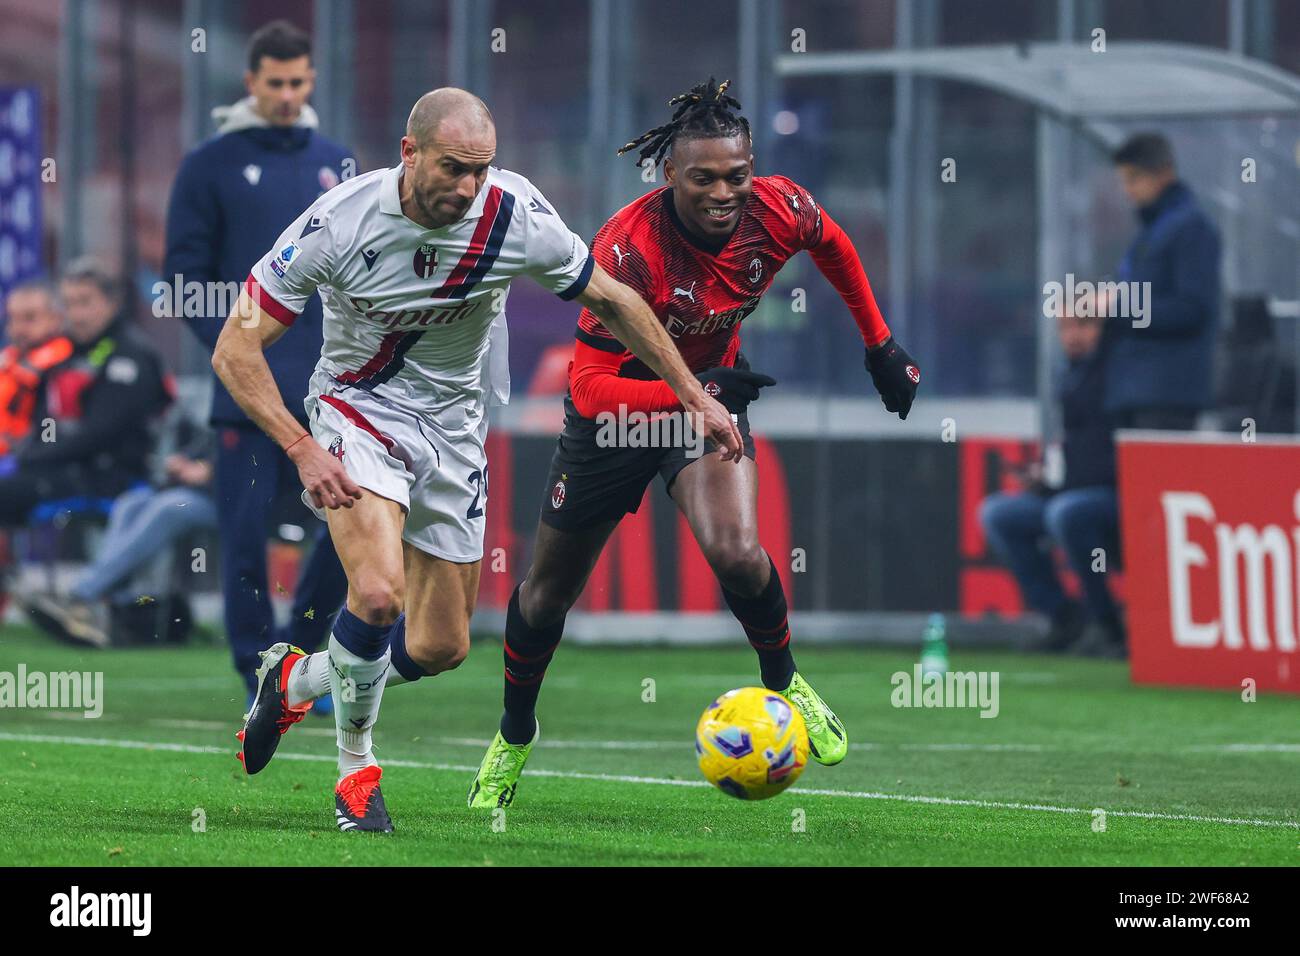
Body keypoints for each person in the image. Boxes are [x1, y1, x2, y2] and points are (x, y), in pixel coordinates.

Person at [216, 87, 741, 833]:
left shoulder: (513, 214)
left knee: (439, 645)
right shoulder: (339, 223)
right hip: (357, 413)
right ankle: (356, 774)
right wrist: (302, 448)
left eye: (481, 169)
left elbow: (616, 299)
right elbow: (235, 346)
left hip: (457, 430)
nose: (468, 187)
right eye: (454, 168)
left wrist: (693, 394)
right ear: (410, 152)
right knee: (375, 597)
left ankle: (296, 678)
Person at [455, 78, 921, 808]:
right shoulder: (627, 250)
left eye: (736, 175)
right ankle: (515, 733)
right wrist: (690, 397)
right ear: (669, 173)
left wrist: (879, 342)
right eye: (702, 178)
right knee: (547, 596)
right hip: (617, 418)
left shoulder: (779, 207)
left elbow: (832, 243)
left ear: (753, 166)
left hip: (706, 404)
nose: (722, 192)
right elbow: (585, 388)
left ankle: (785, 684)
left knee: (737, 551)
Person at [164, 20, 354, 702]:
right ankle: (255, 670)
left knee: (341, 532)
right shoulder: (208, 164)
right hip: (244, 398)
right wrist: (242, 351)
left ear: (310, 80)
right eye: (274, 82)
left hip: (332, 395)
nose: (286, 94)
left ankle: (300, 664)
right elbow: (181, 280)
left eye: (297, 81)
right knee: (243, 543)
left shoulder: (339, 160)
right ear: (251, 83)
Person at [980, 312, 1124, 658]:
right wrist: (1045, 479)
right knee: (998, 514)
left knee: (1066, 513)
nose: (1073, 335)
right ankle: (1063, 616)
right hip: (1069, 493)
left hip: (1114, 495)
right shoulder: (1070, 375)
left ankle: (1107, 624)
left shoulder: (1119, 370)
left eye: (1086, 324)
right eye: (1065, 327)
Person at [22, 411, 218, 649]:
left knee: (168, 508)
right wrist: (184, 461)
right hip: (191, 489)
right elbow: (205, 447)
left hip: (227, 500)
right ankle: (116, 608)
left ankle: (82, 595)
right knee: (130, 503)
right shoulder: (227, 406)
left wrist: (212, 471)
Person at [0, 260, 170, 529]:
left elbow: (99, 434)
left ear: (112, 302)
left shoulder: (130, 355)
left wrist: (29, 458)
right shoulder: (66, 354)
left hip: (110, 477)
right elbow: (45, 422)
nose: (77, 314)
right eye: (69, 304)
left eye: (85, 302)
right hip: (61, 468)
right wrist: (24, 454)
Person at [1102, 132, 1220, 430]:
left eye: (1134, 179)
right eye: (1123, 180)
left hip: (1167, 394)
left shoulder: (1191, 229)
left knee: (1161, 478)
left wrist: (1117, 308)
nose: (1127, 190)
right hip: (1134, 390)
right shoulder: (1152, 230)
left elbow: (1191, 309)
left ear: (1164, 173)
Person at [0, 280, 73, 458]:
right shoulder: (10, 357)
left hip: (27, 459)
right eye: (13, 319)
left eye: (30, 318)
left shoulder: (62, 363)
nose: (18, 328)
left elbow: (53, 433)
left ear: (56, 319)